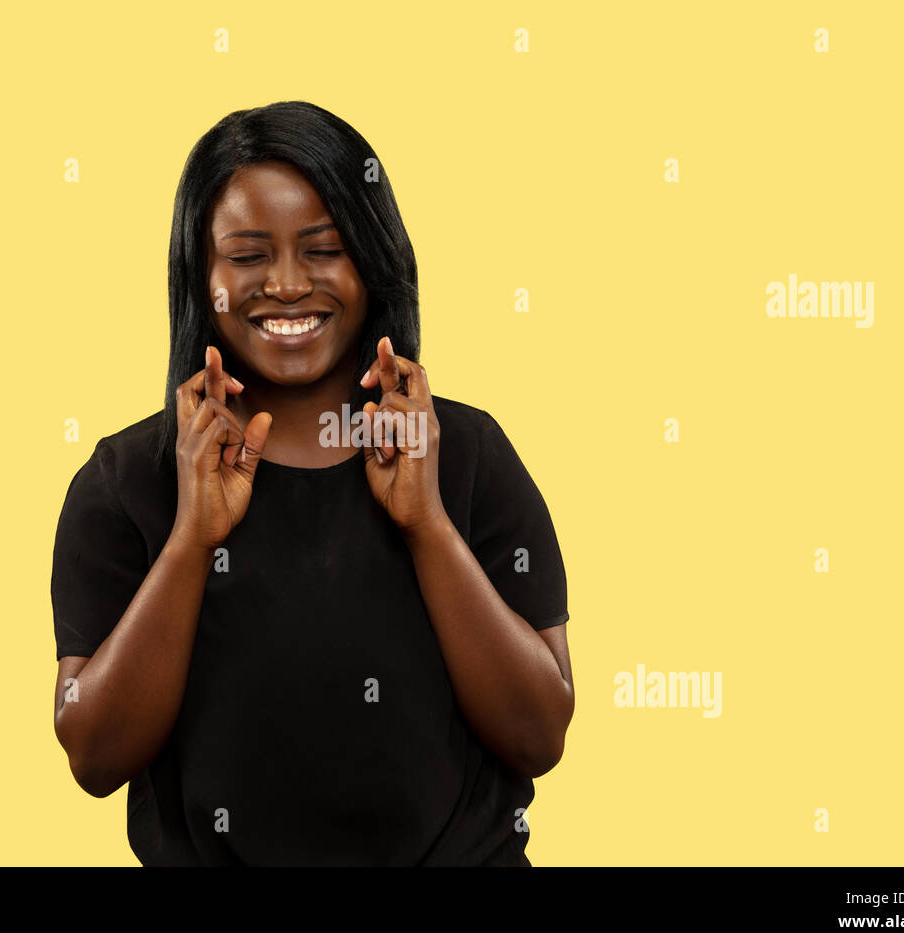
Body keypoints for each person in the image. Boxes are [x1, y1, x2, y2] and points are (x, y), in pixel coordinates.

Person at [50, 100, 572, 865]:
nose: (288, 286)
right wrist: (192, 539)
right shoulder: (125, 481)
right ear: (202, 275)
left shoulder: (468, 453)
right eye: (248, 255)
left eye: (323, 249)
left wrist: (428, 524)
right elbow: (94, 757)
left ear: (374, 258)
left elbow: (540, 733)